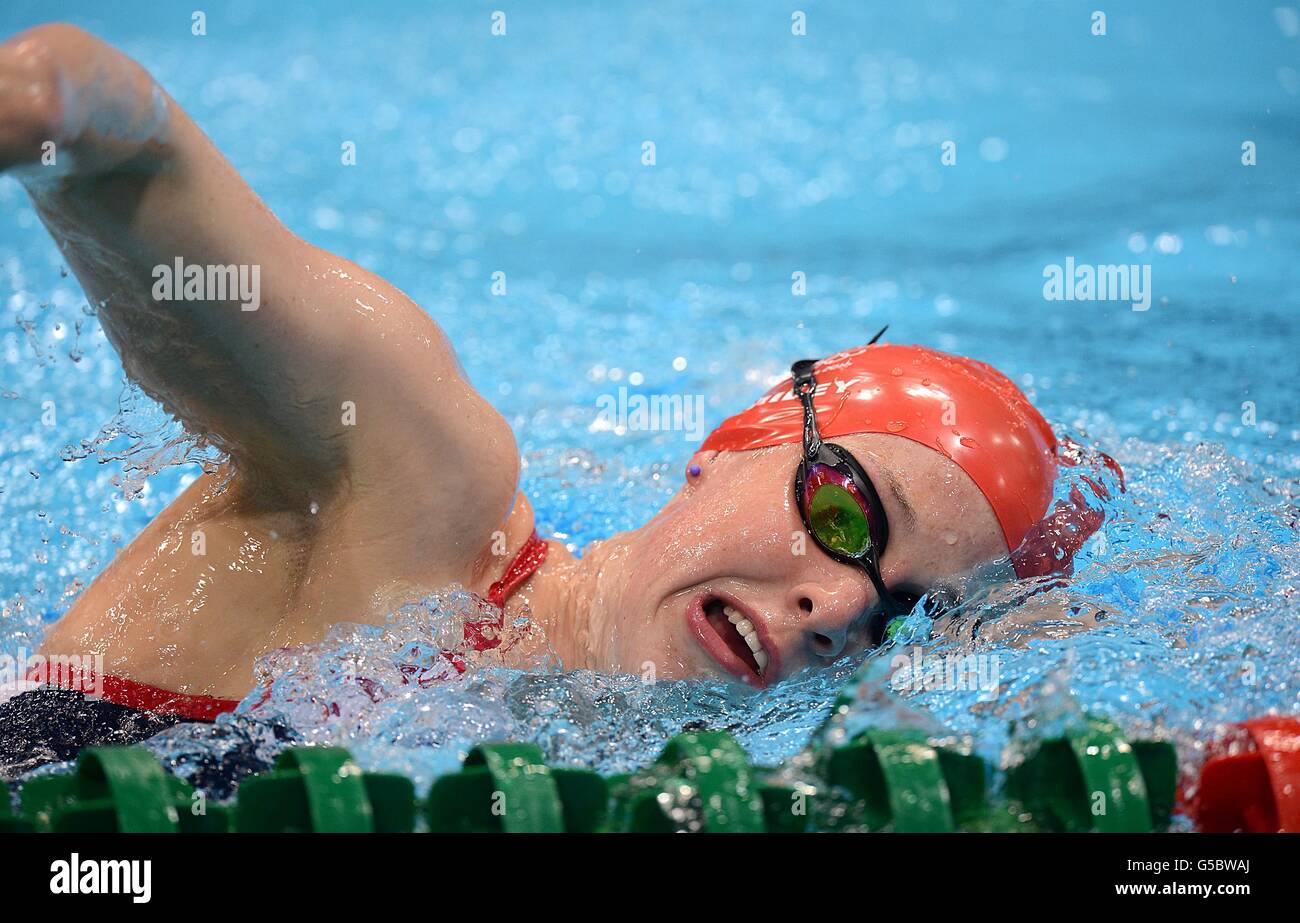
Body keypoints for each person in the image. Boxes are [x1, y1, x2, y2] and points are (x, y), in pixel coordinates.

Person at [0, 25, 1103, 763]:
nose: (842, 608)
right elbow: (104, 132)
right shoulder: (419, 486)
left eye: (904, 612)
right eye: (845, 513)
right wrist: (35, 104)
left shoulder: (626, 767)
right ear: (725, 446)